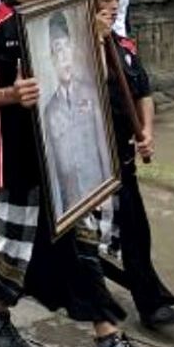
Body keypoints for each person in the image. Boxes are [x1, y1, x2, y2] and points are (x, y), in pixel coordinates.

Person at [0, 0, 174, 347]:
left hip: (63, 152)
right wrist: (9, 94)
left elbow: (86, 82)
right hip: (15, 157)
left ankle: (110, 343)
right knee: (13, 246)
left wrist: (95, 42)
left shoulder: (65, 20)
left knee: (83, 243)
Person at [92, 0, 174, 328]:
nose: (114, 7)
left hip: (122, 154)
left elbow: (142, 91)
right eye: (106, 0)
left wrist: (146, 130)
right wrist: (97, 40)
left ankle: (150, 302)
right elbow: (93, 84)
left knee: (134, 229)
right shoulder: (79, 45)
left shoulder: (125, 46)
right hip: (91, 159)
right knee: (85, 236)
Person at [41, 12, 111, 215]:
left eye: (67, 47)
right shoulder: (50, 111)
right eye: (57, 50)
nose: (64, 57)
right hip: (71, 205)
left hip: (99, 193)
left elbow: (104, 146)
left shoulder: (90, 92)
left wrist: (109, 188)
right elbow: (54, 171)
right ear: (52, 59)